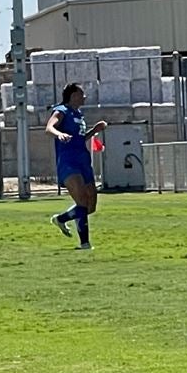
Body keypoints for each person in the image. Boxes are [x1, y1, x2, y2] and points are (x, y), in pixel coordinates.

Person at [47, 83, 106, 250]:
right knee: (81, 201)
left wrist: (95, 130)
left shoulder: (79, 114)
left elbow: (80, 139)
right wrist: (59, 134)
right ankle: (85, 243)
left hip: (83, 161)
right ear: (73, 96)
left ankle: (61, 219)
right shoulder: (61, 111)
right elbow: (49, 127)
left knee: (90, 206)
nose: (84, 97)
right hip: (68, 161)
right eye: (81, 94)